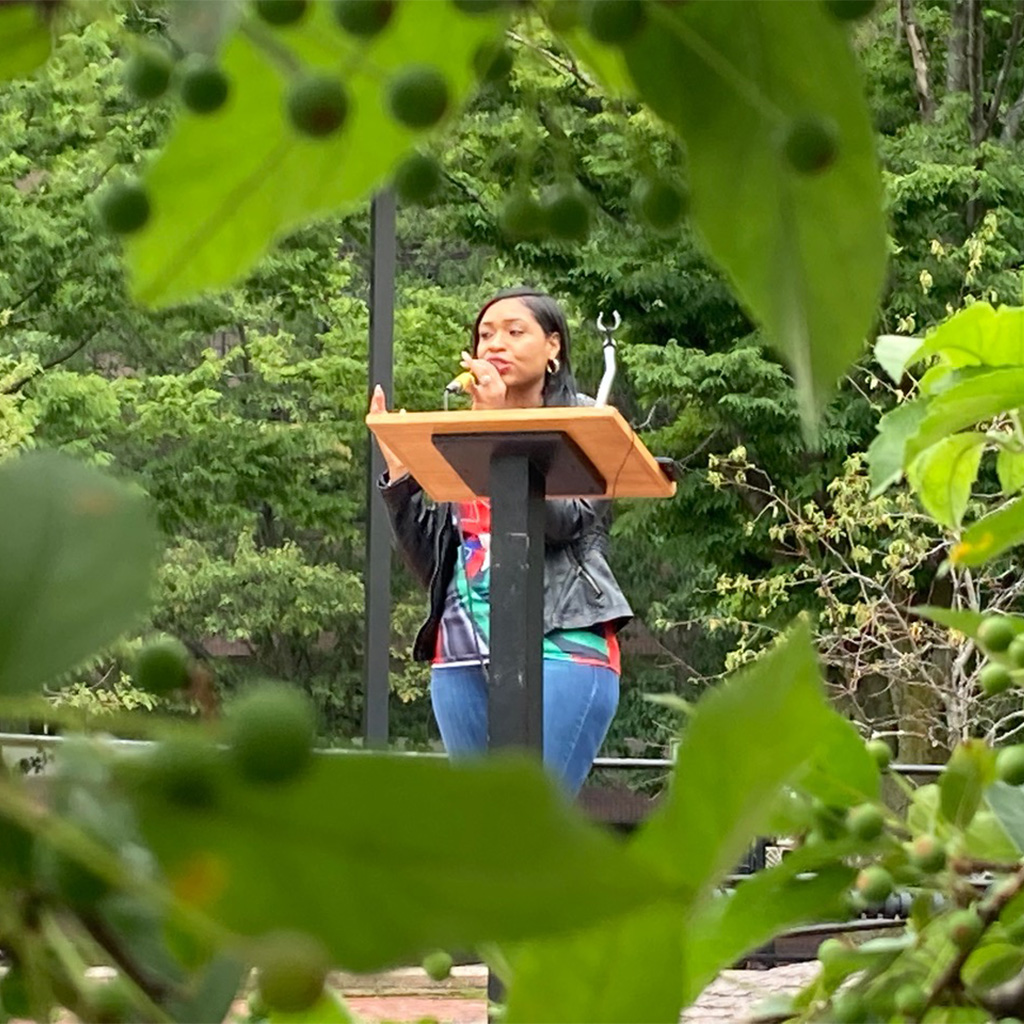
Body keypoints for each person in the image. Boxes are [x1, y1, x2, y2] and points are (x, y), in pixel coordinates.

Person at [369, 287, 631, 796]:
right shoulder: (460, 432)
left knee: (532, 823)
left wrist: (496, 425)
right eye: (485, 334)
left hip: (562, 641)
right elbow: (435, 564)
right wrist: (400, 479)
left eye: (515, 332)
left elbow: (564, 523)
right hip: (461, 648)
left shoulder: (584, 420)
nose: (495, 345)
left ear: (553, 346)